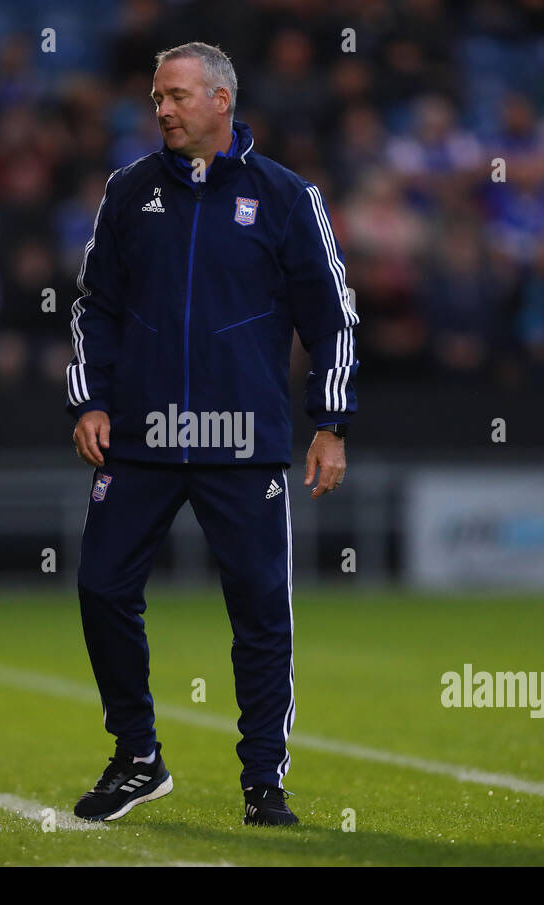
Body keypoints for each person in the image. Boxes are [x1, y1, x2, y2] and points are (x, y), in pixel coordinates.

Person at [64, 42, 359, 826]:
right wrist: (89, 399)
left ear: (222, 100)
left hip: (243, 443)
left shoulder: (290, 198)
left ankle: (263, 780)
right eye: (157, 97)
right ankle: (137, 756)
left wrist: (329, 423)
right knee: (100, 587)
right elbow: (96, 304)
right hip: (141, 438)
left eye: (177, 96)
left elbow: (331, 318)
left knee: (261, 612)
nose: (161, 109)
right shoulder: (128, 192)